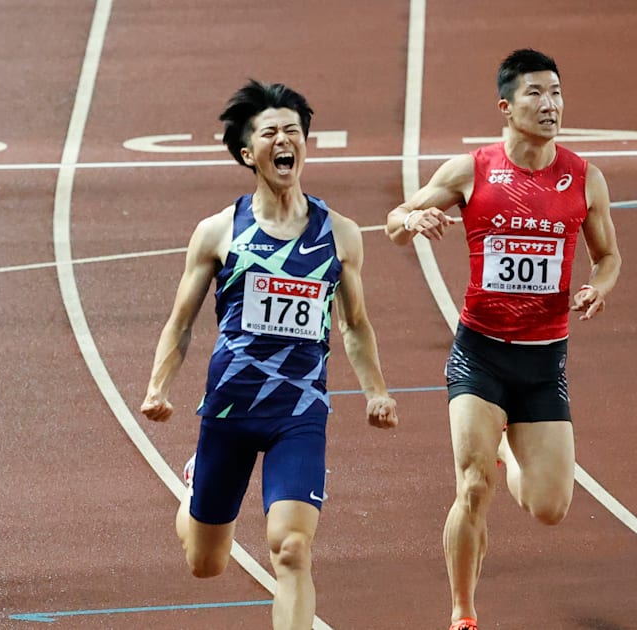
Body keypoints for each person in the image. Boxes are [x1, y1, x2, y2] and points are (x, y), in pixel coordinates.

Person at [140, 80, 399, 630]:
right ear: (246, 153)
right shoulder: (217, 232)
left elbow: (355, 326)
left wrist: (376, 390)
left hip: (299, 415)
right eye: (270, 133)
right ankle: (196, 491)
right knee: (205, 564)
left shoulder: (342, 235)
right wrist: (157, 387)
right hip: (230, 412)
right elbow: (180, 323)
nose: (285, 140)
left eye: (293, 131)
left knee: (292, 549)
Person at [385, 49, 621, 630]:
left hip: (545, 364)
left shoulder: (584, 177)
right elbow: (394, 219)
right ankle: (463, 614)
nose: (551, 105)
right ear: (506, 106)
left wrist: (599, 285)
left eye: (557, 94)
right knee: (472, 486)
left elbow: (609, 255)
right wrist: (412, 220)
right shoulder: (471, 171)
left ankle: (506, 446)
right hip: (480, 356)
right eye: (537, 94)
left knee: (550, 508)